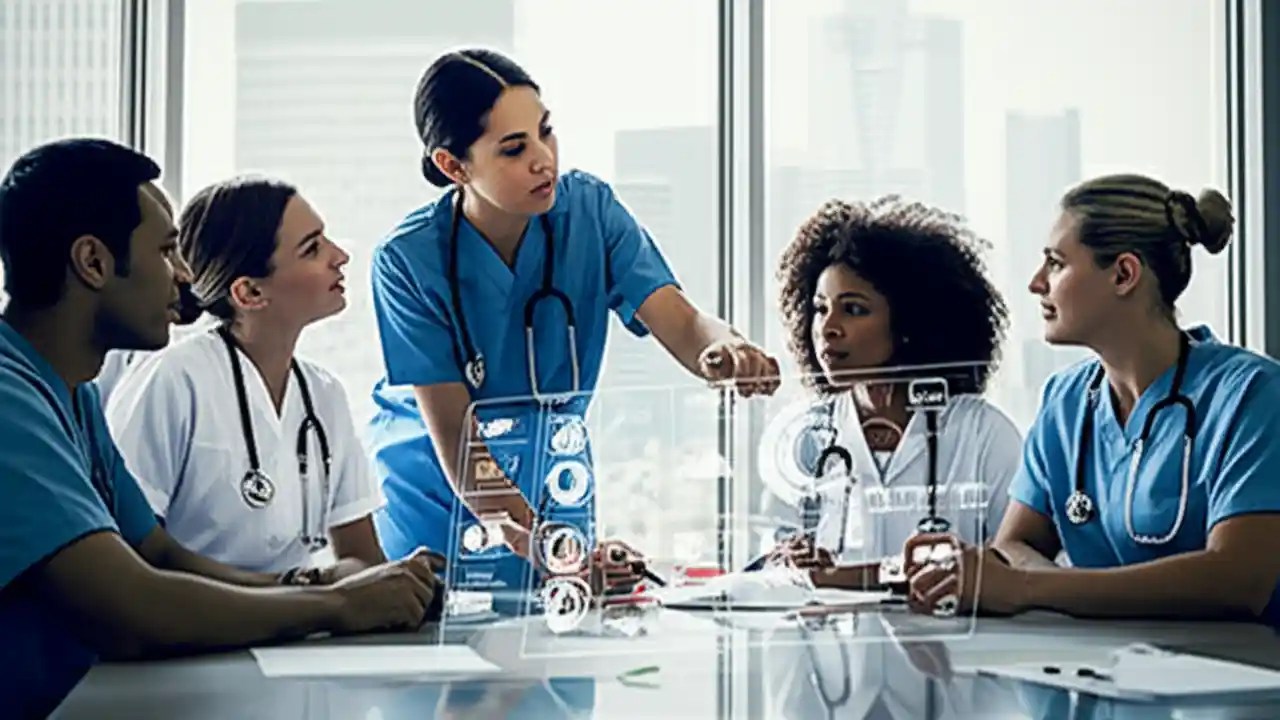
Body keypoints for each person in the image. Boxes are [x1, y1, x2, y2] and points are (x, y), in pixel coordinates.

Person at [0, 139, 439, 718]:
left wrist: (322, 586)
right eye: (165, 252)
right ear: (93, 262)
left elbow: (155, 551)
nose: (184, 277)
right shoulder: (10, 399)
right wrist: (333, 605)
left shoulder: (70, 393)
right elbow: (132, 605)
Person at [365, 48, 779, 590]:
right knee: (446, 653)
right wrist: (552, 547)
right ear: (453, 165)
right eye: (514, 149)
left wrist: (725, 351)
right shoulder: (407, 261)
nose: (544, 159)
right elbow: (458, 441)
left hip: (549, 475)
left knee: (559, 652)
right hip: (440, 494)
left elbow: (681, 320)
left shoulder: (590, 212)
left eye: (546, 132)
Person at [906, 173, 1280, 626]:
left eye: (1055, 263)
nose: (1036, 283)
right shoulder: (1065, 402)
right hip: (1105, 673)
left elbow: (1239, 581)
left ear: (1124, 274)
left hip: (1239, 683)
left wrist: (1029, 588)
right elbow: (1014, 545)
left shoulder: (1252, 396)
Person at [756, 196, 1023, 720]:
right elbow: (773, 563)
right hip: (832, 682)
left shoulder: (982, 434)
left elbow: (1017, 566)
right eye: (819, 309)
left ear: (909, 323)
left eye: (853, 309)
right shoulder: (805, 437)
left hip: (953, 682)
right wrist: (788, 562)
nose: (827, 328)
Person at [105, 175, 388, 581]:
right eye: (312, 248)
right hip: (192, 636)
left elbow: (363, 558)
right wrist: (299, 590)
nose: (340, 256)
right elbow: (133, 559)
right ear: (249, 294)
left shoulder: (323, 394)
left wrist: (317, 585)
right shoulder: (172, 381)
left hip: (295, 629)